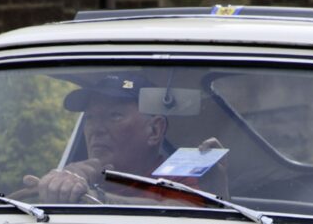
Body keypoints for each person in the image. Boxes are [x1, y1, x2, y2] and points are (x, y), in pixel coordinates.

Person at [23, 75, 228, 203]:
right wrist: (54, 188)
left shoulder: (179, 180)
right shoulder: (80, 177)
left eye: (114, 116)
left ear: (155, 130)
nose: (97, 129)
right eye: (91, 117)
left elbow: (179, 210)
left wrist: (95, 198)